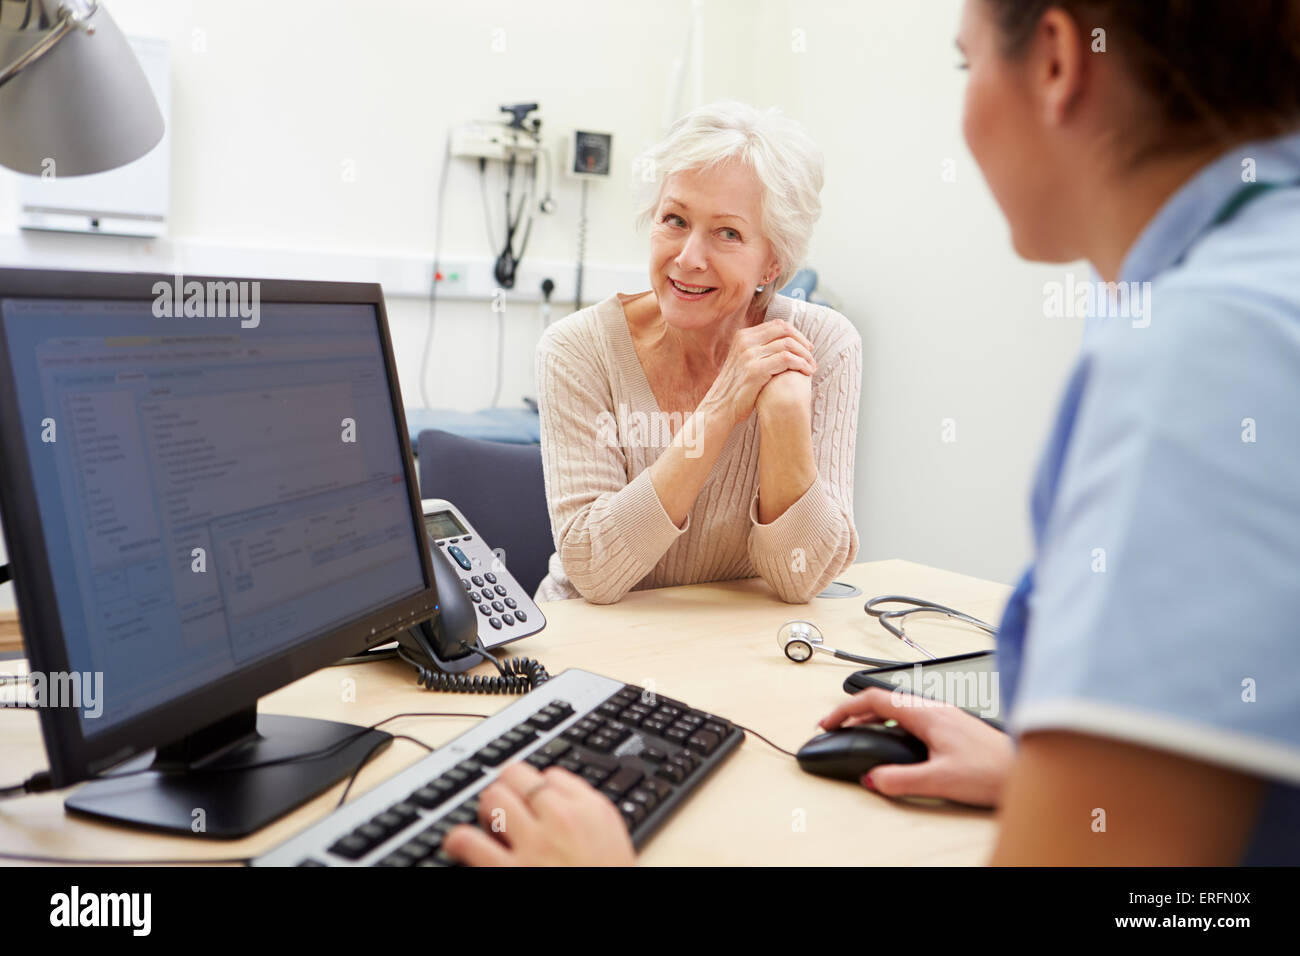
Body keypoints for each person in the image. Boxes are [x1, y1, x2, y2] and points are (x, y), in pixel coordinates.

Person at [444, 0, 1300, 866]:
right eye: (675, 219)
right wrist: (1030, 776)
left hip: (748, 685)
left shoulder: (1208, 345)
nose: (691, 256)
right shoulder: (1232, 304)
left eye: (965, 66)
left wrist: (778, 418)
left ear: (1054, 61)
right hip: (606, 676)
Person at [532, 101, 861, 606]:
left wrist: (787, 412)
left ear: (773, 261)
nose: (688, 258)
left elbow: (801, 579)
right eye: (675, 220)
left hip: (728, 646)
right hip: (588, 642)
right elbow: (595, 571)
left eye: (728, 233)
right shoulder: (577, 349)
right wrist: (721, 409)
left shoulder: (825, 347)